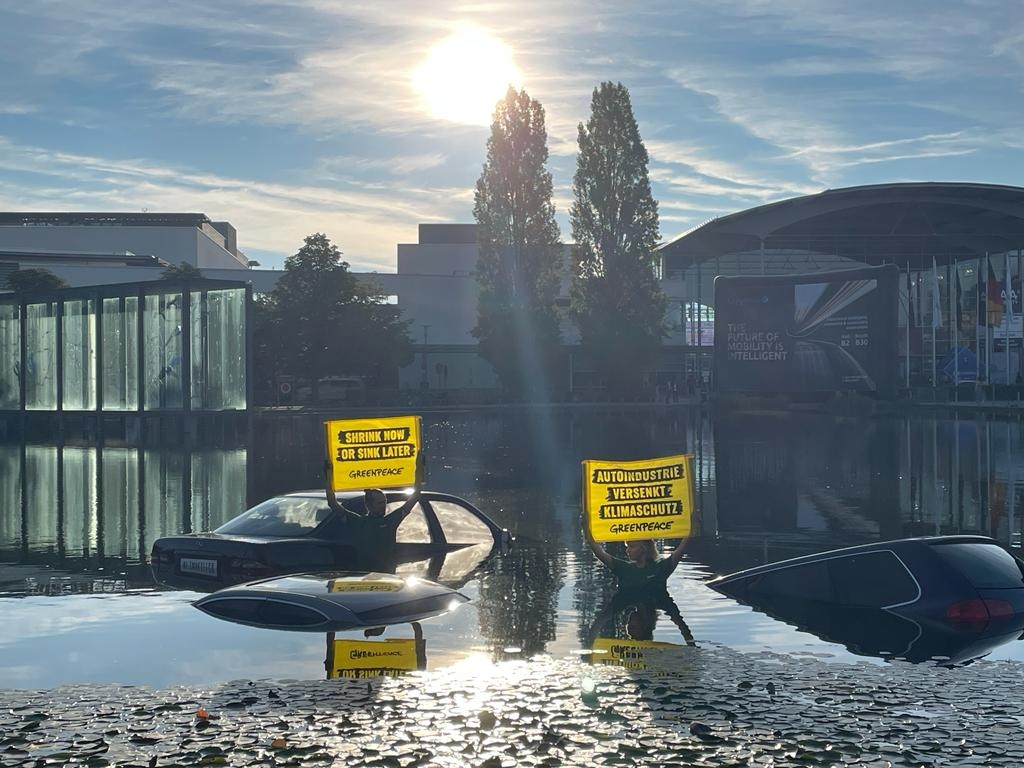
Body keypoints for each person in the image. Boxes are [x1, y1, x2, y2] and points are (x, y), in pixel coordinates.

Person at [584, 527, 688, 593]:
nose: (628, 551)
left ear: (644, 549)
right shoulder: (624, 568)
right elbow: (600, 553)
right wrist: (587, 529)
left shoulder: (660, 568)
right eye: (627, 547)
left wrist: (690, 528)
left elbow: (680, 551)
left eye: (632, 546)